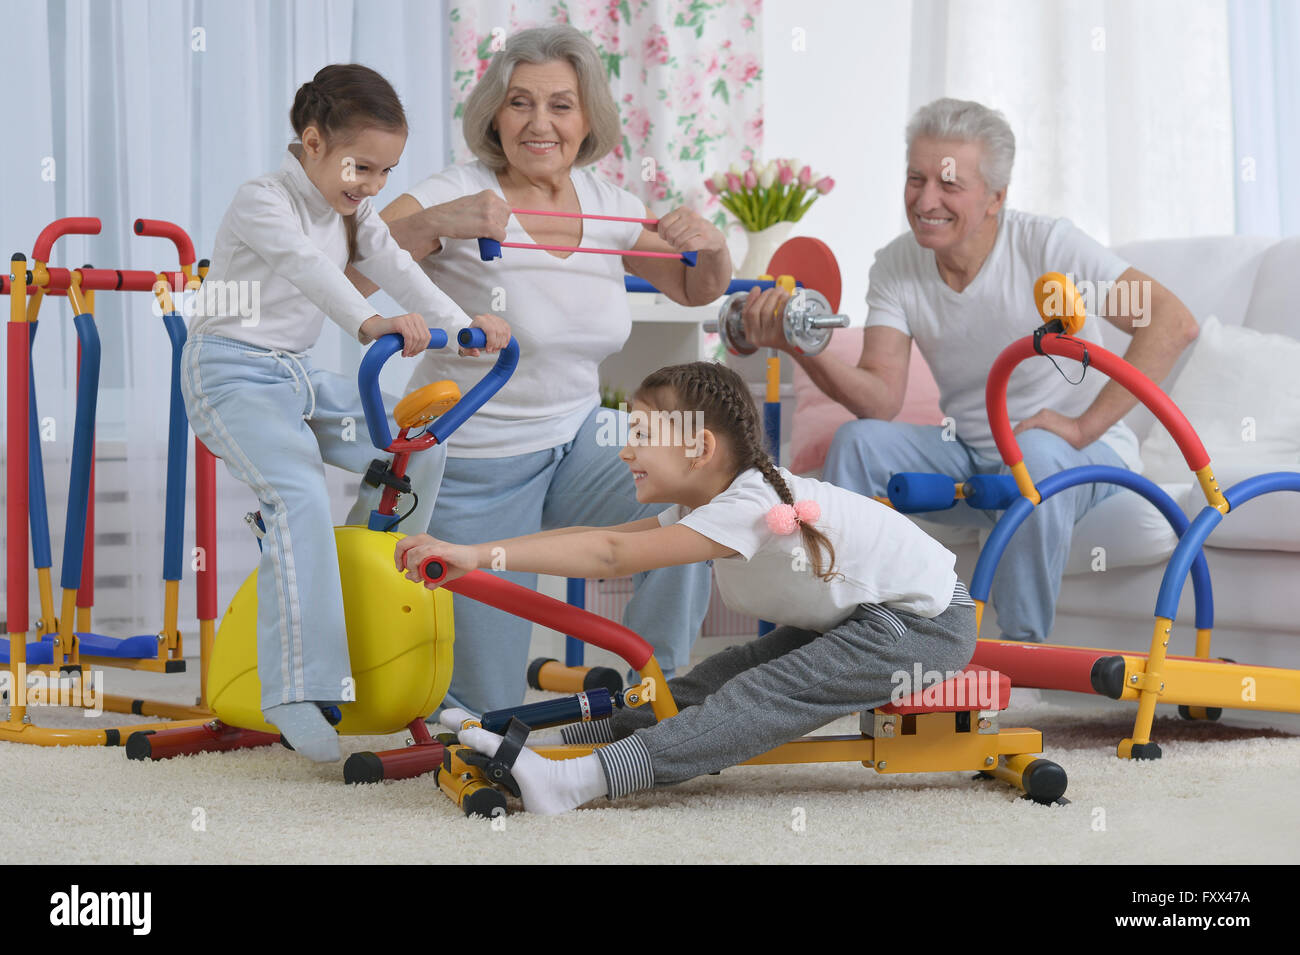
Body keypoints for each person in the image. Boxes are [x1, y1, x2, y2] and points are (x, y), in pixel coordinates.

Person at [395, 361, 976, 814]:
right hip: (867, 617)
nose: (626, 450)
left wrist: (474, 555)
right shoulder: (716, 501)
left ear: (699, 450)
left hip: (923, 624)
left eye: (642, 435)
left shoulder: (747, 504)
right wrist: (476, 556)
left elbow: (611, 555)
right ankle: (554, 746)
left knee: (760, 697)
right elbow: (603, 536)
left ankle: (574, 779)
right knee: (710, 681)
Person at [350, 25, 731, 713]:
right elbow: (349, 266)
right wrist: (440, 221)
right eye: (520, 102)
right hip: (477, 459)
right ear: (495, 112)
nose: (540, 122)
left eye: (561, 104)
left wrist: (713, 248)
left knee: (695, 489)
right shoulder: (456, 188)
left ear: (587, 119)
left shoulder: (610, 204)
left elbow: (694, 288)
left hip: (581, 442)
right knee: (482, 708)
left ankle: (658, 694)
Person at [740, 97, 1198, 643]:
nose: (926, 200)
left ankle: (1022, 656)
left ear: (995, 198)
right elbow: (880, 400)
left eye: (949, 184)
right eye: (916, 178)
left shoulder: (1047, 245)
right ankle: (846, 639)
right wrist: (800, 346)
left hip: (1075, 458)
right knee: (860, 442)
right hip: (972, 454)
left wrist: (1082, 427)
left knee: (1039, 458)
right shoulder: (897, 263)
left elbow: (1172, 322)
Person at [181, 63, 510, 761]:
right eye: (362, 167)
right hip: (229, 371)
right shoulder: (261, 200)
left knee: (417, 449)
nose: (371, 187)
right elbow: (310, 269)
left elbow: (402, 271)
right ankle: (298, 689)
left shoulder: (356, 214)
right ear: (311, 141)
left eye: (386, 173)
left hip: (297, 374)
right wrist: (369, 325)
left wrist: (464, 328)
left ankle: (354, 580)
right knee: (297, 488)